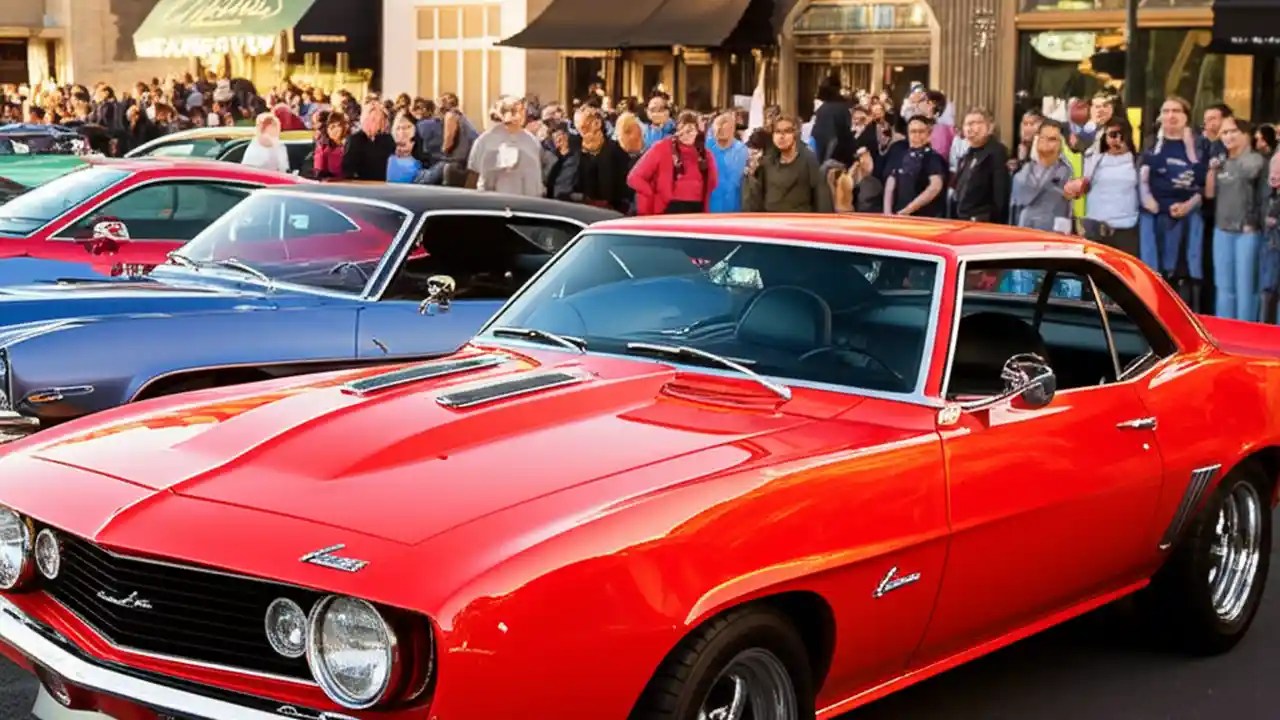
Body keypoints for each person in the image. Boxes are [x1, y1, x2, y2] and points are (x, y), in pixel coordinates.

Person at [1139, 96, 1209, 305]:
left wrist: (1189, 205)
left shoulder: (1198, 144)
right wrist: (1148, 200)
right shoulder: (1151, 142)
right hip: (1155, 216)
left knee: (1183, 275)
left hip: (1188, 218)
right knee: (1154, 274)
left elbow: (1203, 183)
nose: (1170, 116)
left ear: (1186, 116)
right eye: (1166, 111)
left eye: (1176, 111)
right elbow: (1142, 176)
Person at [1205, 116, 1270, 321]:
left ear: (1246, 134)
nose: (1228, 136)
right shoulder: (1222, 162)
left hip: (1247, 232)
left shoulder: (1256, 160)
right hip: (1222, 230)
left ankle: (1246, 333)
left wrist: (1254, 223)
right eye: (1224, 133)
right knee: (1224, 287)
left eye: (1233, 131)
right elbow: (1209, 194)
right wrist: (1212, 170)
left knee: (1246, 288)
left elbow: (1258, 189)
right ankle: (1224, 333)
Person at [1071, 117, 1141, 256]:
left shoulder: (1136, 160)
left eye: (1122, 135)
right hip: (1096, 226)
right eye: (1113, 135)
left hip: (1126, 227)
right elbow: (1082, 186)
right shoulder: (1094, 159)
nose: (1118, 139)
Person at [627, 110, 717, 215]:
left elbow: (712, 183)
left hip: (697, 209)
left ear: (698, 131)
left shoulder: (705, 154)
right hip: (668, 208)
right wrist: (652, 194)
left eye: (690, 130)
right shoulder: (662, 148)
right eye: (681, 130)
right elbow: (634, 178)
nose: (685, 135)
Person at [743, 114, 832, 213]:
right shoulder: (766, 163)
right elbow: (756, 200)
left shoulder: (809, 159)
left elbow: (821, 197)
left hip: (799, 222)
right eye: (777, 132)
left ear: (796, 134)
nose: (781, 136)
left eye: (787, 131)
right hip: (771, 222)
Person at [467, 95, 543, 196]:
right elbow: (473, 174)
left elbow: (536, 177)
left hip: (526, 202)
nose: (519, 115)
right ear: (502, 113)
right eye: (514, 111)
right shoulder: (485, 140)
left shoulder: (532, 141)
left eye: (522, 110)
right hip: (493, 203)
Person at [1010, 120, 1074, 232]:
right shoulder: (1020, 174)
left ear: (1061, 144)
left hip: (1052, 236)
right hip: (1023, 234)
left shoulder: (1068, 174)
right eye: (1042, 137)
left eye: (1052, 139)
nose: (1046, 142)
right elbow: (1012, 213)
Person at [951, 106, 1010, 223]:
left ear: (990, 127)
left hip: (983, 222)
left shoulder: (996, 152)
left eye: (976, 123)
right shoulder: (966, 155)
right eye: (967, 124)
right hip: (961, 220)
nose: (970, 128)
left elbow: (1000, 195)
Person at [885, 115, 947, 217]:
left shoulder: (933, 157)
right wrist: (887, 213)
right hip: (898, 217)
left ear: (928, 135)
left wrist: (908, 210)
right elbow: (890, 183)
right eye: (913, 131)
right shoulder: (900, 155)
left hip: (924, 219)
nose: (917, 135)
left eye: (921, 131)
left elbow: (935, 186)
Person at [707, 111, 748, 213]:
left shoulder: (740, 149)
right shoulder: (707, 146)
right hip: (710, 203)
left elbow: (735, 179)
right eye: (718, 126)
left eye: (725, 126)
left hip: (733, 204)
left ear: (732, 129)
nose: (720, 129)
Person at [342, 103, 395, 181]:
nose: (375, 123)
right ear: (364, 119)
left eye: (378, 120)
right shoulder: (354, 140)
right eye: (372, 119)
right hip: (361, 186)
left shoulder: (387, 139)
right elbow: (348, 169)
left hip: (384, 185)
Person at [313, 111, 348, 180]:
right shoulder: (323, 148)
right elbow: (319, 172)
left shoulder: (351, 144)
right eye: (331, 127)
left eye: (337, 126)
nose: (333, 130)